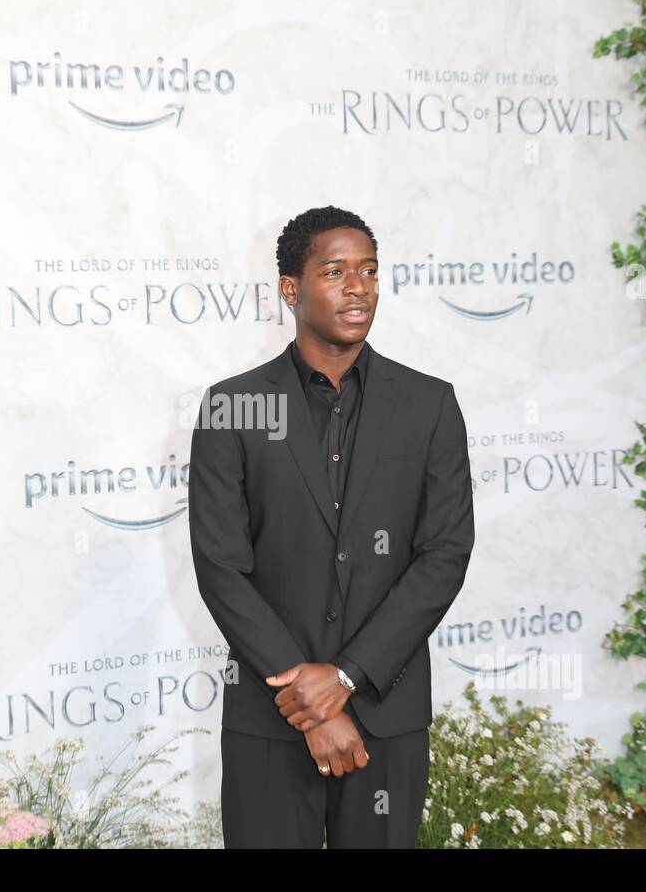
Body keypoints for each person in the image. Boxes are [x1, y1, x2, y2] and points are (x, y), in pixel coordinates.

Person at [188, 204, 475, 848]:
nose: (359, 287)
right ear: (291, 288)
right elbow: (221, 566)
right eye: (336, 270)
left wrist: (344, 678)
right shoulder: (233, 406)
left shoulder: (429, 404)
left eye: (370, 271)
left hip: (385, 711)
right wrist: (307, 699)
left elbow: (445, 554)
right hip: (271, 718)